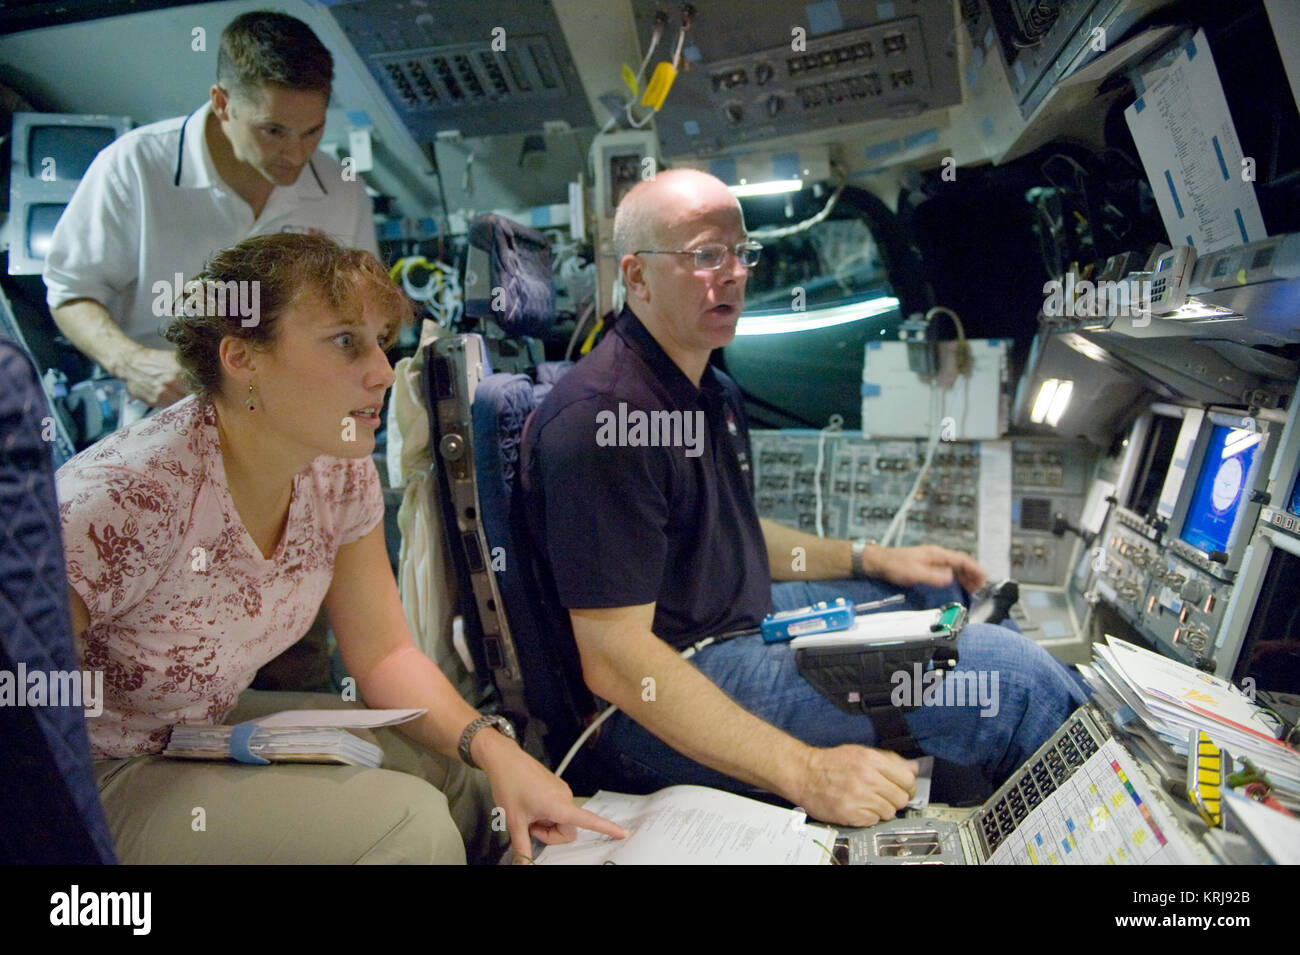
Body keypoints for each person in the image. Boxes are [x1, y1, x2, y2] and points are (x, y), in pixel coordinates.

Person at [522, 168, 1087, 829]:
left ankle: (1005, 770)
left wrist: (872, 559)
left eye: (741, 252)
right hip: (645, 712)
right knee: (1011, 682)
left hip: (730, 631)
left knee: (942, 595)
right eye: (705, 254)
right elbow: (616, 660)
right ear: (638, 277)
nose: (732, 273)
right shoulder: (603, 419)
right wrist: (806, 770)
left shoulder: (710, 391)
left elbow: (731, 538)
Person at [57, 233, 624, 864]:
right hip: (92, 775)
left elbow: (383, 654)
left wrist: (499, 749)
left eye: (381, 341)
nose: (383, 371)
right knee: (408, 827)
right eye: (345, 341)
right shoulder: (123, 500)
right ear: (243, 357)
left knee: (461, 776)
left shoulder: (337, 462)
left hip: (192, 726)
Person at [43, 10, 378, 410]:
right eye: (273, 131)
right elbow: (70, 294)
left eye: (312, 132)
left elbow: (364, 312)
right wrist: (133, 363)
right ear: (222, 103)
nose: (296, 154)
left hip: (296, 413)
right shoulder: (134, 165)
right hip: (171, 409)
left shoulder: (342, 188)